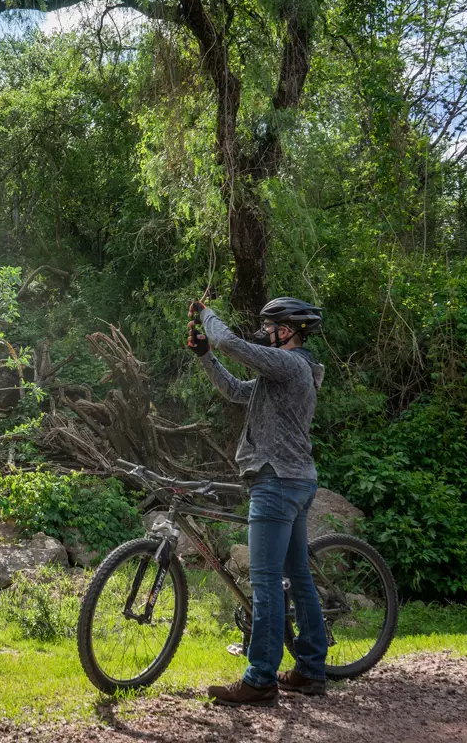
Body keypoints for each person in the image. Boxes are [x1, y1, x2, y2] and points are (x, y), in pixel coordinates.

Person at [186, 296, 328, 708]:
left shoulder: (289, 363)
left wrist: (206, 314)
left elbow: (232, 343)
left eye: (269, 326)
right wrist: (206, 357)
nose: (264, 331)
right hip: (296, 480)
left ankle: (260, 678)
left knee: (266, 582)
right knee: (297, 576)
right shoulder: (284, 374)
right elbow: (234, 390)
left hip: (276, 481)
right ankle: (310, 670)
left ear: (286, 330)